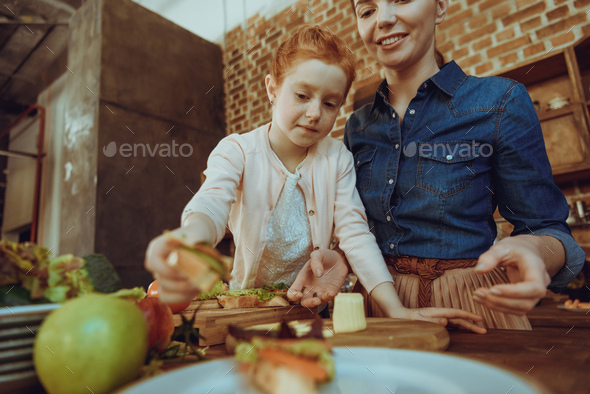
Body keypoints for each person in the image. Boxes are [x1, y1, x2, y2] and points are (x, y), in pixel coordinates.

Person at [144, 24, 485, 332]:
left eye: (330, 103)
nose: (313, 114)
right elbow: (211, 204)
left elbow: (355, 233)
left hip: (312, 312)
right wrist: (189, 239)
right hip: (247, 308)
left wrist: (394, 308)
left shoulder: (336, 158)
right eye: (302, 95)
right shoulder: (237, 150)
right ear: (272, 89)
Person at [290, 0, 585, 330]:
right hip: (380, 312)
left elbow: (548, 230)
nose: (383, 20)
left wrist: (532, 249)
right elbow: (363, 228)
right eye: (367, 10)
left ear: (440, 8)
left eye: (401, 0)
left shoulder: (500, 102)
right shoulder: (358, 127)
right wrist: (342, 257)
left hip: (473, 307)